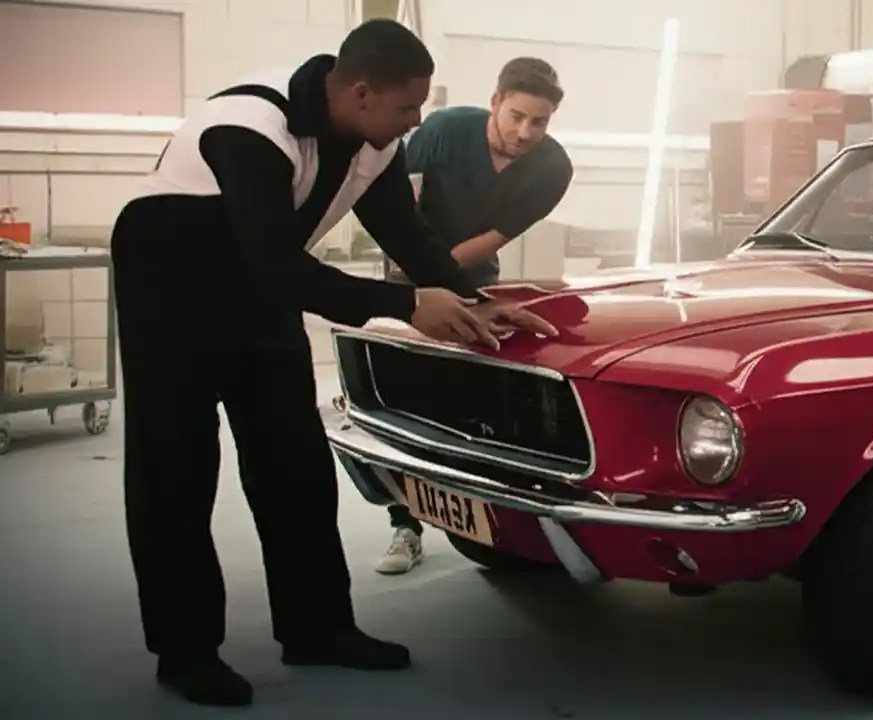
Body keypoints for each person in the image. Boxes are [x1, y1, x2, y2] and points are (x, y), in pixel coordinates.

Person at [110, 20, 555, 708]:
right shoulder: (250, 125)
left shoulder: (369, 143)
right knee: (176, 467)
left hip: (260, 287)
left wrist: (478, 302)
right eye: (408, 107)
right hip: (170, 281)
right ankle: (186, 651)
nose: (417, 120)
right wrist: (406, 305)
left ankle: (317, 627)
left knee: (294, 460)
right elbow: (271, 263)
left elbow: (409, 234)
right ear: (360, 90)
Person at [374, 57, 574, 575]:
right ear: (495, 102)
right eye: (516, 116)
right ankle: (405, 525)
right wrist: (414, 279)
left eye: (539, 122)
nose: (525, 132)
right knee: (406, 397)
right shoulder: (441, 132)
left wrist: (451, 288)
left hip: (474, 279)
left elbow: (492, 239)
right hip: (405, 268)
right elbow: (400, 204)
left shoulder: (553, 168)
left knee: (471, 401)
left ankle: (490, 520)